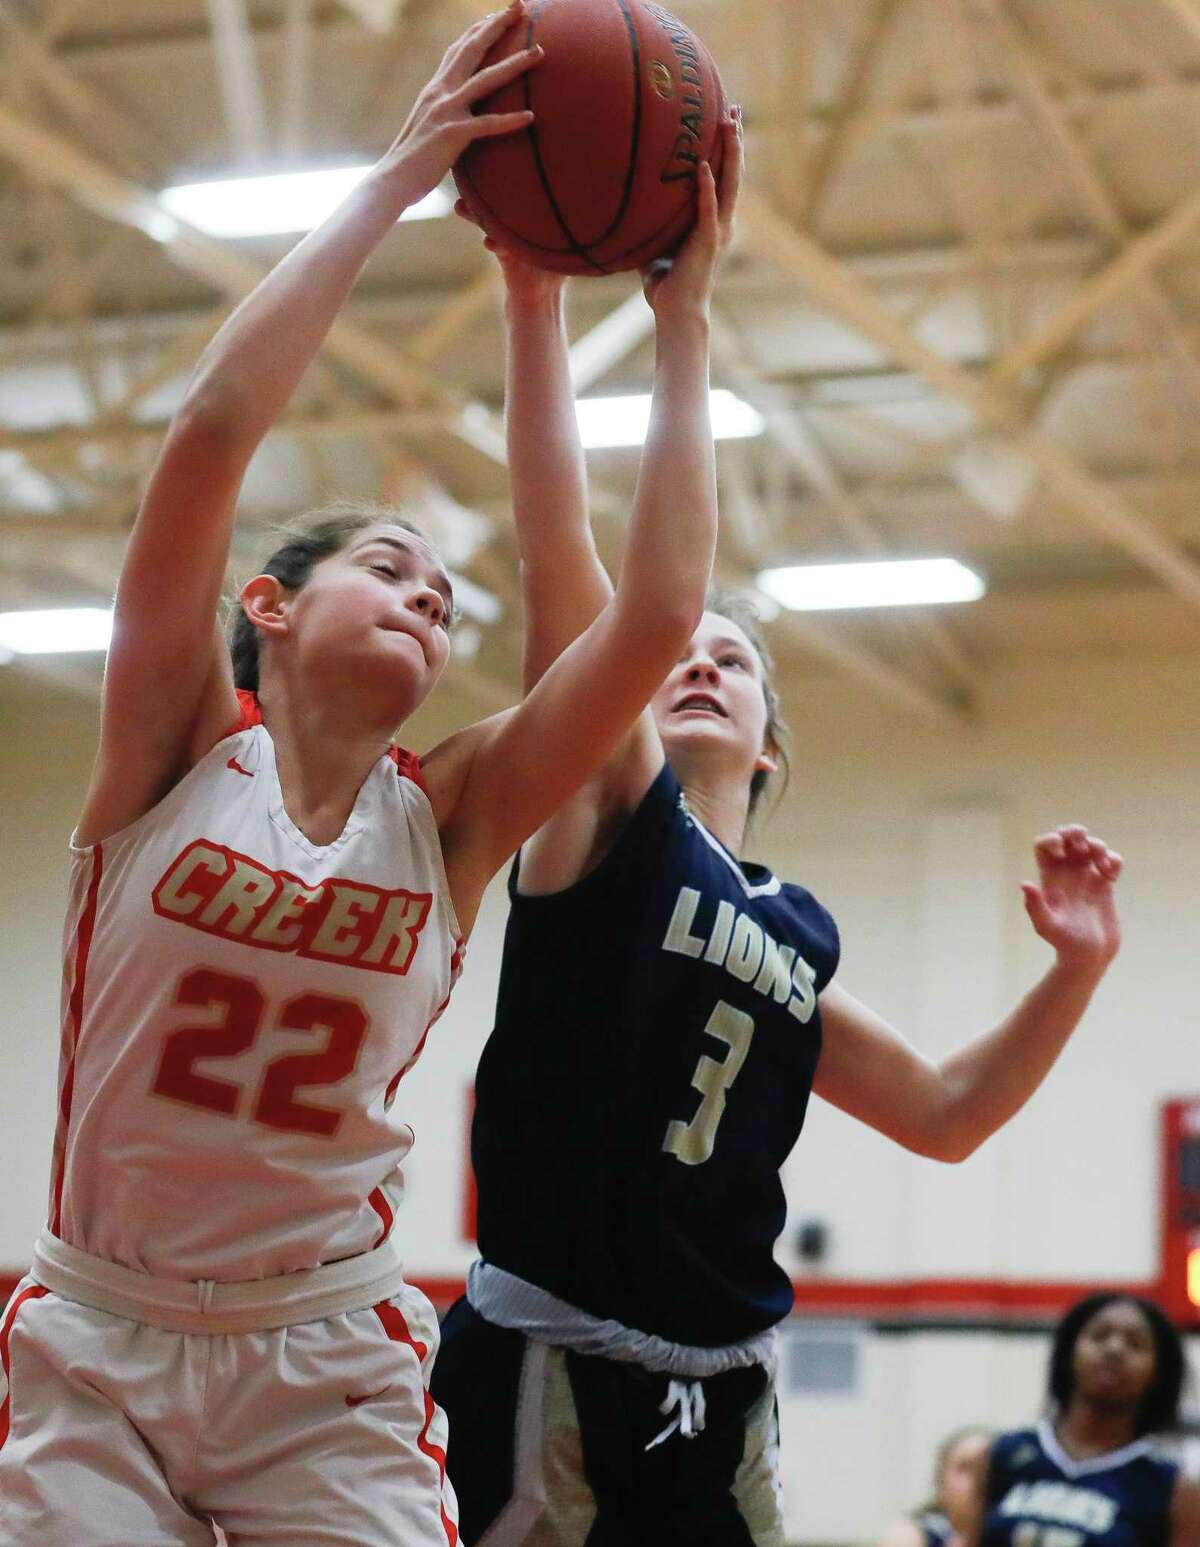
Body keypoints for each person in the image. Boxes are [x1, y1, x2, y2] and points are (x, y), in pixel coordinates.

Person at [0, 6, 727, 1542]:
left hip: (325, 1351)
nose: (428, 594)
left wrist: (674, 324)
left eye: (441, 597)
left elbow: (653, 610)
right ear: (266, 608)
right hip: (100, 1335)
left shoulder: (450, 812)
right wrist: (398, 182)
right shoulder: (173, 750)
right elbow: (206, 432)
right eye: (390, 565)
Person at [431, 129, 1128, 1545]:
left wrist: (1074, 969)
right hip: (559, 1352)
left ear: (772, 744)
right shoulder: (612, 805)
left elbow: (945, 1113)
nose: (698, 658)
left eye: (734, 661)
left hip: (726, 1385)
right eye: (686, 644)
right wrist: (543, 306)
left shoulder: (791, 933)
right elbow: (562, 545)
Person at [971, 1294, 1199, 1547]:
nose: (1114, 1349)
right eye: (1099, 1336)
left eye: (1135, 1344)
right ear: (1070, 1351)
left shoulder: (1172, 1488)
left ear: (1158, 1373)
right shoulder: (1001, 1455)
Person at [880, 1427, 994, 1547]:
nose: (978, 1478)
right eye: (965, 1467)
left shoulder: (1010, 1530)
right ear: (941, 1484)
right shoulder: (911, 1534)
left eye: (986, 1468)